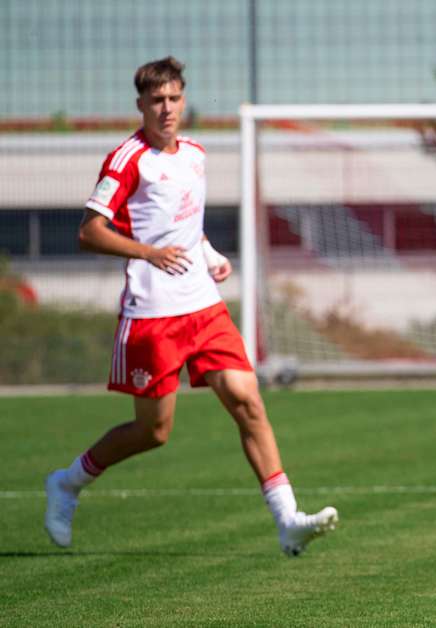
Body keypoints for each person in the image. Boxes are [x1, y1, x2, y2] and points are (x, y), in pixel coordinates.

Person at [43, 57, 337, 557]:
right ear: (141, 105)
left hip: (204, 308)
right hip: (151, 315)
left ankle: (288, 520)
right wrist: (148, 253)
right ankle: (67, 482)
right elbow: (89, 232)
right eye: (157, 100)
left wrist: (209, 253)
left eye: (174, 98)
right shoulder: (126, 160)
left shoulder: (196, 154)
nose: (167, 108)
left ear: (183, 101)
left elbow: (185, 226)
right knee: (153, 431)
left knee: (247, 401)